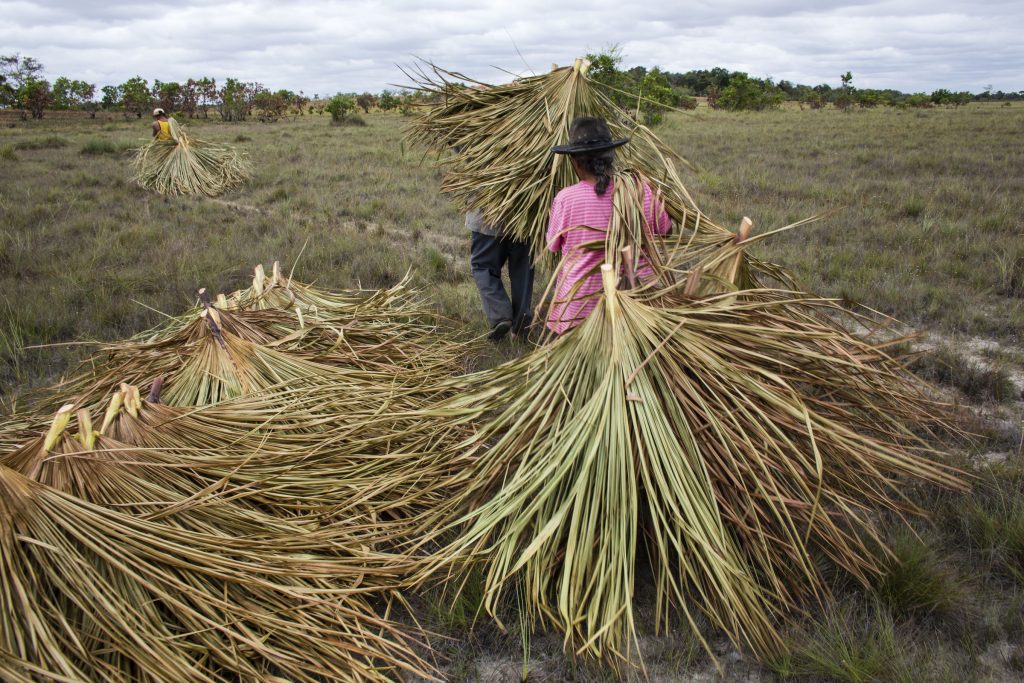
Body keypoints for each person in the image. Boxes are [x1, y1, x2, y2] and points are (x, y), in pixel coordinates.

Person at [546, 117, 671, 334]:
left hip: (582, 307)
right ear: (610, 157)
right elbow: (666, 230)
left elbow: (553, 245)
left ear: (575, 162)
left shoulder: (566, 199)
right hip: (639, 299)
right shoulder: (640, 190)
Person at [467, 209, 535, 341]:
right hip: (523, 219)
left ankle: (500, 315)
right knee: (522, 272)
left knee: (482, 267)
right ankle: (521, 328)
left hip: (487, 220)